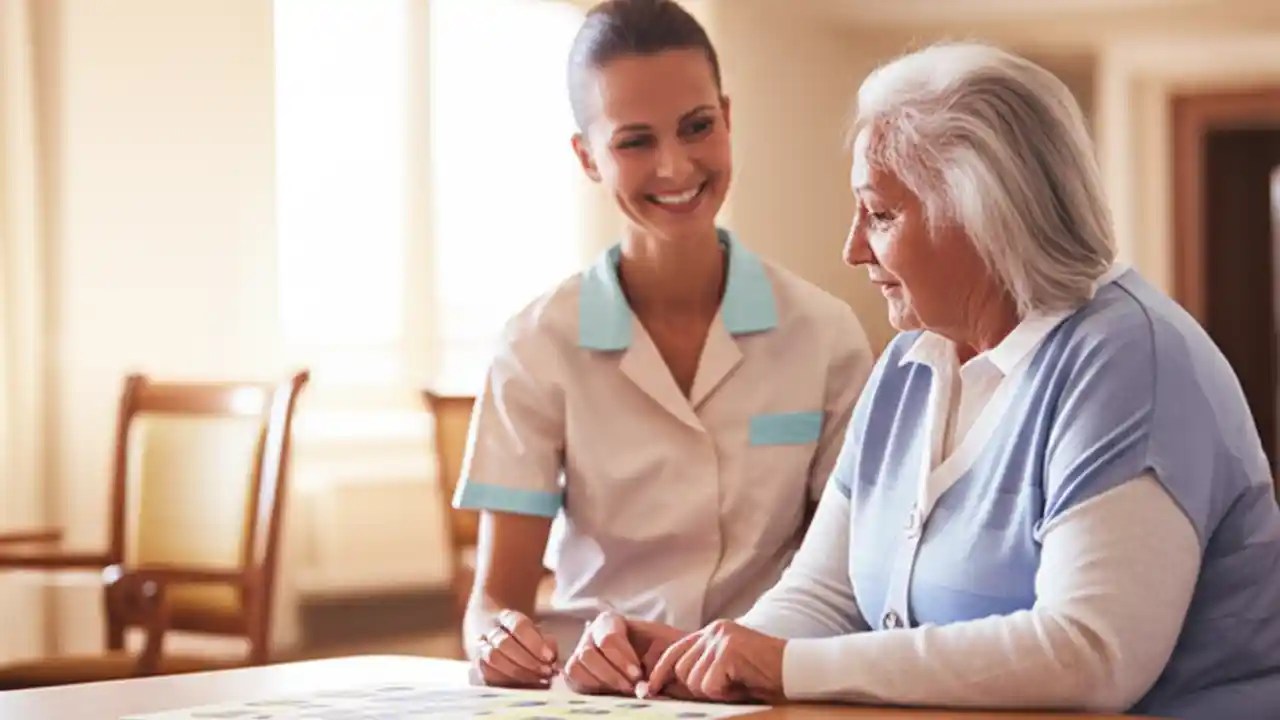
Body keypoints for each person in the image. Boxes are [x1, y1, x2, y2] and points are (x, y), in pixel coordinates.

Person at [576, 42, 1280, 719]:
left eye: (881, 215)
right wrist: (703, 660)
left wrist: (784, 667)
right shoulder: (909, 366)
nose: (852, 249)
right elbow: (823, 598)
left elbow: (1090, 653)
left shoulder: (1129, 359)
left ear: (988, 215)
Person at [453, 0, 874, 693]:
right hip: (601, 687)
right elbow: (494, 603)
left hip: (761, 682)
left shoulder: (824, 334)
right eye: (635, 141)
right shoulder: (536, 345)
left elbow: (850, 576)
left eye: (697, 127)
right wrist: (500, 642)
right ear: (587, 157)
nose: (675, 166)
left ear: (727, 119)